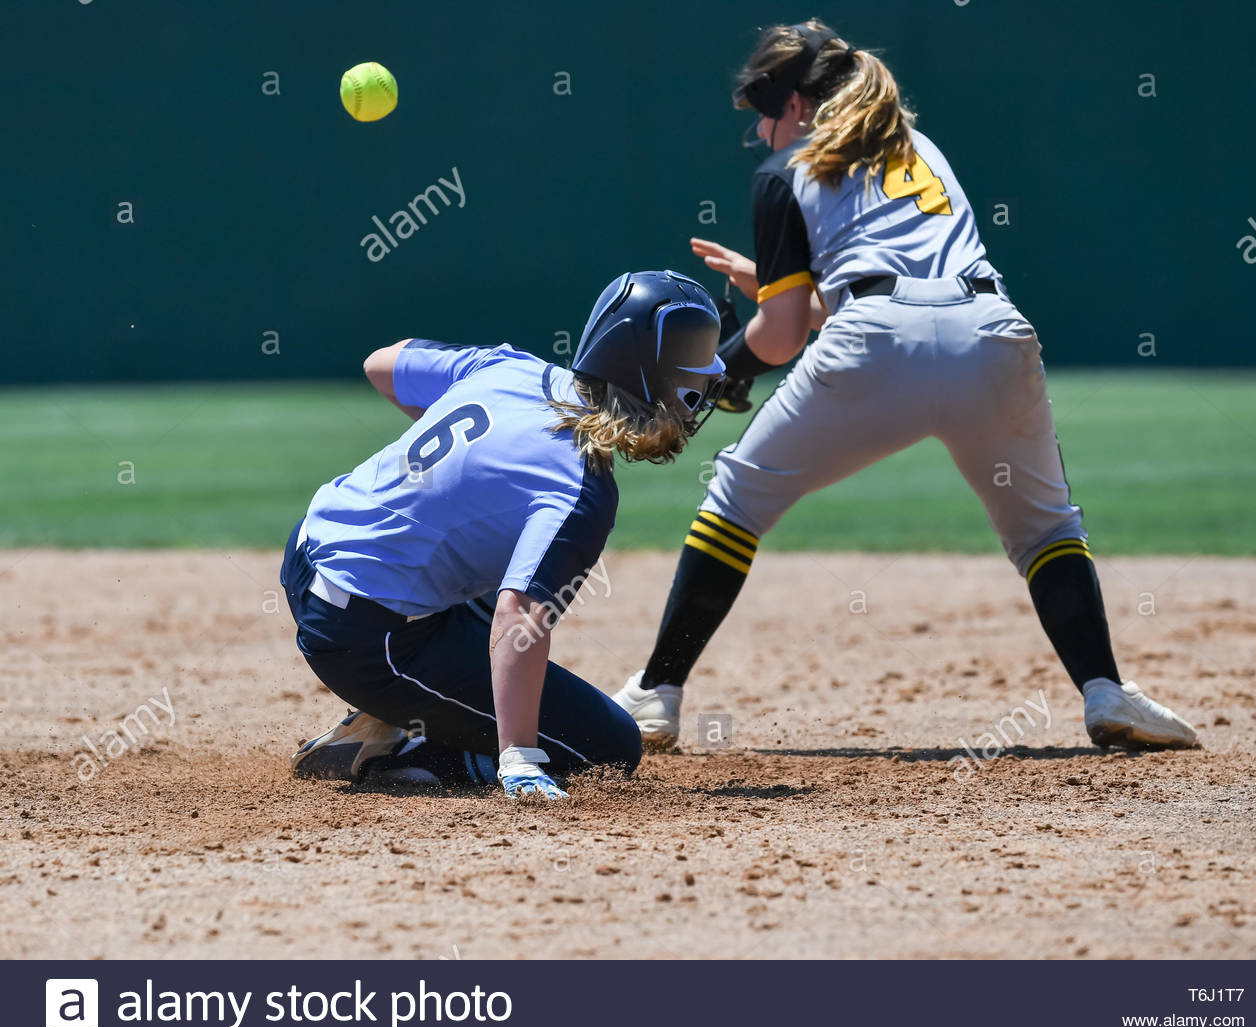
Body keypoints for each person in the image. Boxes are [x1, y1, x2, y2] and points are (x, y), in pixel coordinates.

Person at [611, 20, 1199, 753]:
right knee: (1046, 528)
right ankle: (1107, 692)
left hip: (876, 345)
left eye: (764, 111)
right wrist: (776, 288)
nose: (761, 129)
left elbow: (786, 336)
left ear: (796, 105)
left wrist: (711, 375)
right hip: (991, 334)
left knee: (736, 498)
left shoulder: (785, 170)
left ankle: (656, 694)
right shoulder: (922, 148)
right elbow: (907, 292)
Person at [282, 270, 726, 799]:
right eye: (690, 386)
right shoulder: (581, 485)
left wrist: (463, 469)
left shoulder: (507, 367)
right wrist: (519, 755)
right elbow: (518, 617)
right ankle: (405, 747)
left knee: (491, 552)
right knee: (607, 746)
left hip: (306, 550)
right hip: (364, 639)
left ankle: (399, 717)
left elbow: (381, 365)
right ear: (654, 383)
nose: (695, 398)